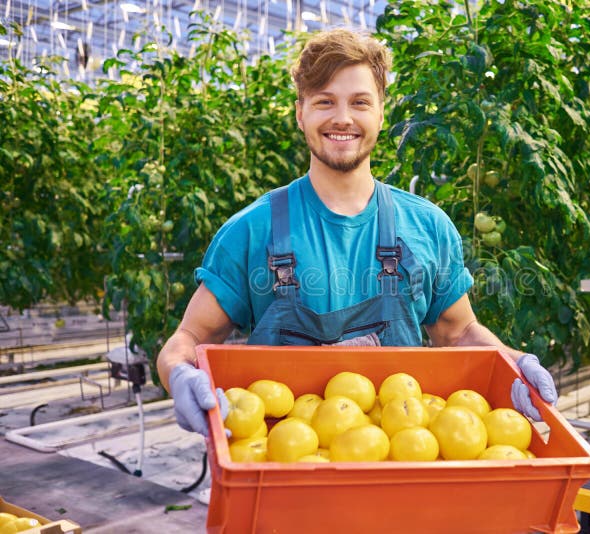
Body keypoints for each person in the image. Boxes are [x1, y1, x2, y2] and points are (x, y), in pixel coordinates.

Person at [156, 28, 557, 437]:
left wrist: (514, 362)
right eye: (324, 102)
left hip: (402, 462)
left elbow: (459, 331)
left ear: (382, 112)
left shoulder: (427, 227)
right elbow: (189, 337)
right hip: (283, 468)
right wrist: (179, 374)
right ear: (300, 112)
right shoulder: (251, 230)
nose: (342, 118)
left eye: (360, 102)